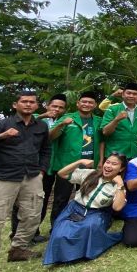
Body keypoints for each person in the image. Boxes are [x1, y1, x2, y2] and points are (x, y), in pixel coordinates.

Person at [0, 91, 51, 272]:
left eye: (31, 102)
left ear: (36, 106)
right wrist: (2, 136)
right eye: (24, 101)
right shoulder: (4, 124)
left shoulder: (41, 126)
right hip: (5, 177)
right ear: (15, 105)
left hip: (32, 175)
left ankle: (18, 248)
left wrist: (42, 170)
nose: (28, 105)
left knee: (33, 214)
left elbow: (46, 150)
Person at [43, 154, 126, 265]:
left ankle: (77, 254)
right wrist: (79, 162)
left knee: (89, 228)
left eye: (114, 164)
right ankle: (66, 254)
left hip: (97, 214)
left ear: (121, 169)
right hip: (74, 209)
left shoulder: (118, 187)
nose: (109, 165)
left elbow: (117, 207)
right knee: (59, 235)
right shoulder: (90, 174)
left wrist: (120, 185)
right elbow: (62, 173)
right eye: (108, 162)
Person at [10, 93, 66, 244]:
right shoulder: (33, 118)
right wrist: (43, 115)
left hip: (56, 164)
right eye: (54, 106)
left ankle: (52, 229)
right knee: (30, 200)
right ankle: (20, 233)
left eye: (61, 107)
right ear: (47, 105)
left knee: (56, 199)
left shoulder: (66, 121)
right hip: (35, 165)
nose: (57, 109)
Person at [45, 91, 102, 231]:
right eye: (84, 101)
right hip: (67, 166)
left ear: (95, 105)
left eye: (90, 102)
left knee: (85, 196)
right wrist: (61, 125)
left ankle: (80, 225)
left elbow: (102, 141)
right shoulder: (67, 118)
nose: (87, 104)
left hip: (89, 165)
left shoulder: (98, 120)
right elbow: (50, 137)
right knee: (61, 198)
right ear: (78, 103)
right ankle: (57, 227)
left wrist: (100, 161)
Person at [100, 82, 137, 161]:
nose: (131, 96)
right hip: (115, 154)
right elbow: (105, 132)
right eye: (128, 93)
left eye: (134, 94)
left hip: (136, 154)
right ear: (123, 94)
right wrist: (116, 120)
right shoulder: (113, 109)